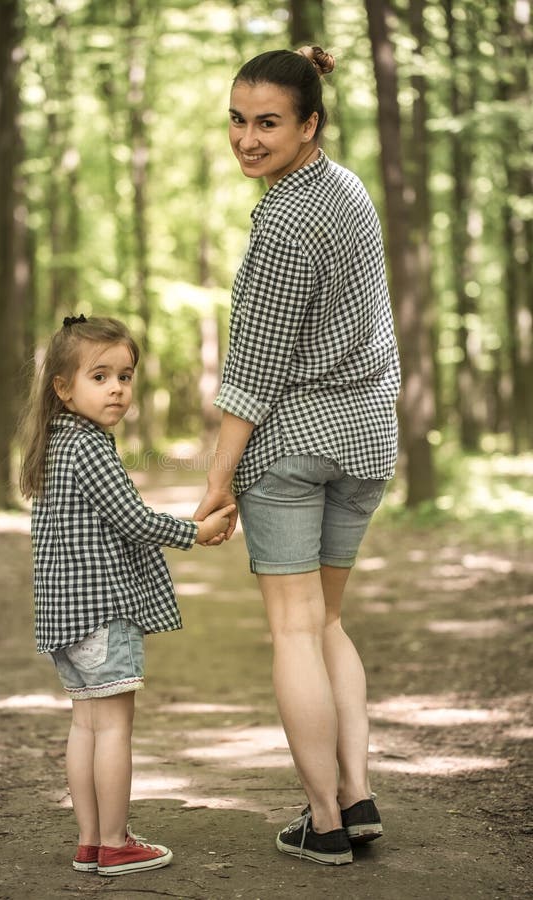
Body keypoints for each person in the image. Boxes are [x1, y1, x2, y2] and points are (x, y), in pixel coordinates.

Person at [194, 46, 401, 866]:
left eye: (268, 123)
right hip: (366, 441)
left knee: (293, 632)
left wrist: (219, 479)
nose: (247, 138)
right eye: (237, 120)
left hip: (294, 450)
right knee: (328, 623)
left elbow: (254, 369)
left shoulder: (285, 221)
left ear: (309, 124)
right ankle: (357, 794)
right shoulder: (347, 189)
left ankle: (323, 821)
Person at [19, 314, 234, 878]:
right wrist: (196, 532)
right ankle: (115, 843)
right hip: (103, 612)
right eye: (100, 376)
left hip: (66, 618)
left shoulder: (58, 443)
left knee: (86, 726)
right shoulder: (89, 447)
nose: (116, 388)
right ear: (63, 387)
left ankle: (91, 841)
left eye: (125, 376)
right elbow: (132, 519)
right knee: (112, 728)